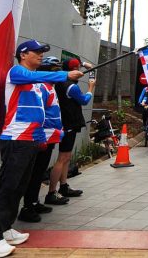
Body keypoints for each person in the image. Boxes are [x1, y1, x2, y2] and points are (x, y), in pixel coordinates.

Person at [0, 40, 82, 258]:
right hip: (16, 139)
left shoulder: (36, 83)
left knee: (19, 187)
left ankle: (5, 228)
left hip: (31, 140)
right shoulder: (17, 72)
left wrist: (44, 138)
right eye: (36, 52)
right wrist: (65, 74)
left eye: (42, 52)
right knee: (7, 188)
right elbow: (34, 77)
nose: (40, 55)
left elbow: (42, 113)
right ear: (23, 55)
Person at [17, 56, 65, 223]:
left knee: (39, 172)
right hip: (42, 137)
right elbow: (40, 113)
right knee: (35, 172)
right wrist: (41, 137)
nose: (57, 74)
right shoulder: (42, 87)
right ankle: (27, 206)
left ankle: (34, 201)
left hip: (50, 136)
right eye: (54, 70)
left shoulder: (50, 87)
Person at [46, 58, 94, 205]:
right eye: (77, 69)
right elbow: (84, 100)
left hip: (66, 123)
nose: (79, 72)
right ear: (73, 71)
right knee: (62, 158)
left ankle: (64, 186)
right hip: (69, 123)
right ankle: (51, 192)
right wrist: (91, 88)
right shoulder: (71, 87)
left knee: (66, 157)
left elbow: (89, 68)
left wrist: (85, 65)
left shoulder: (61, 82)